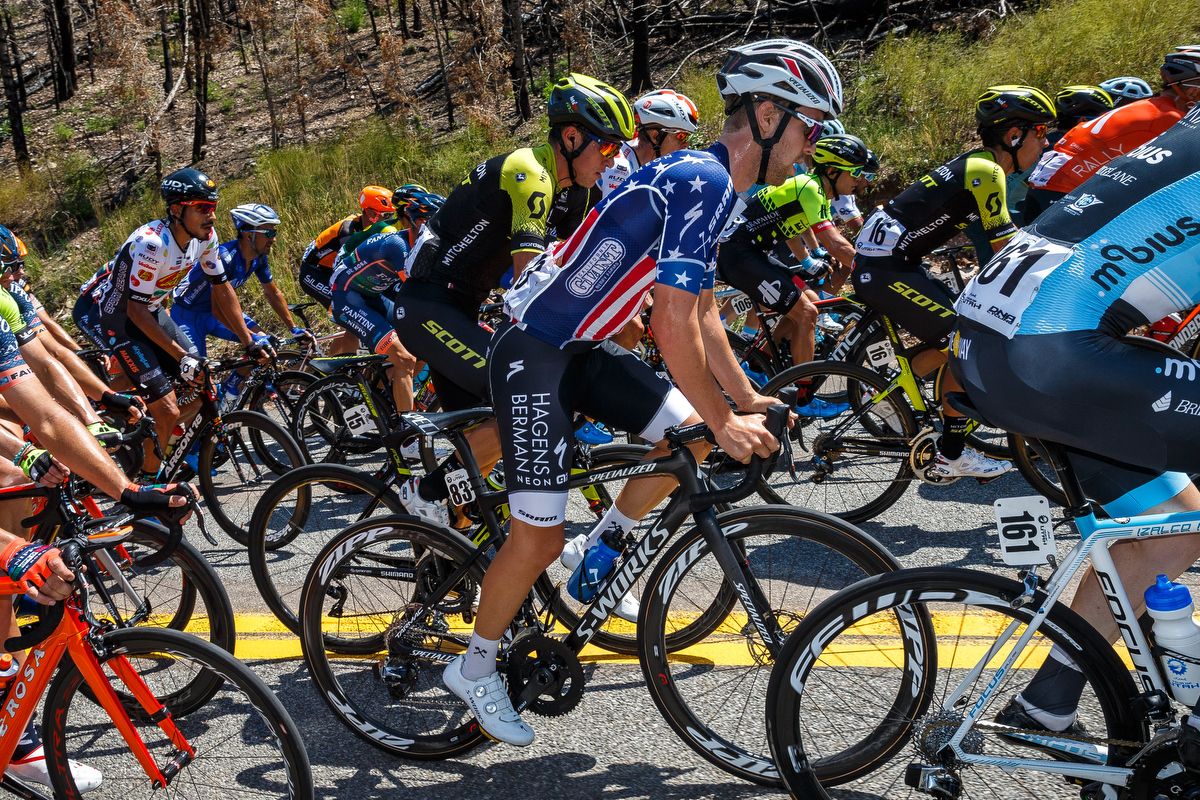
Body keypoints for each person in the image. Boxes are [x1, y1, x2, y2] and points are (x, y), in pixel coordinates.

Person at [441, 38, 840, 747]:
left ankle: (600, 553)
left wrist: (744, 400)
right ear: (771, 114)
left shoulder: (719, 185)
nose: (815, 142)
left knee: (682, 432)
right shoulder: (703, 181)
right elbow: (670, 321)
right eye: (811, 124)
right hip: (536, 353)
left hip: (583, 349)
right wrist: (726, 422)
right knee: (536, 536)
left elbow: (707, 310)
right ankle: (473, 668)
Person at [949, 102, 1200, 744]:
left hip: (993, 341)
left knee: (1171, 528)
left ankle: (1047, 706)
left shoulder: (1186, 131)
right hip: (1048, 350)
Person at [391, 73, 630, 526]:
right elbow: (531, 282)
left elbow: (583, 266)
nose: (612, 159)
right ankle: (422, 492)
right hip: (426, 306)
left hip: (458, 307)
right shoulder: (529, 173)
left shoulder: (575, 193)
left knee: (477, 463)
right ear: (573, 136)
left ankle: (444, 556)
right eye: (607, 147)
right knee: (524, 405)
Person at [851, 85, 1055, 479]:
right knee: (963, 342)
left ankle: (893, 396)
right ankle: (950, 454)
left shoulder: (977, 166)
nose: (1045, 143)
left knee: (960, 336)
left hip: (894, 265)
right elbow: (1005, 246)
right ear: (1014, 136)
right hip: (885, 270)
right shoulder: (985, 171)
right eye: (1042, 132)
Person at [72, 168, 271, 478]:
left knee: (202, 381)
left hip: (148, 310)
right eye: (203, 208)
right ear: (178, 210)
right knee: (166, 407)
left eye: (213, 208)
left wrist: (249, 341)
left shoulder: (204, 239)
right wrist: (181, 356)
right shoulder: (151, 243)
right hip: (111, 314)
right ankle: (145, 483)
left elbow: (222, 288)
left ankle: (159, 434)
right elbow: (135, 313)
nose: (212, 217)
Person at [712, 133, 863, 410]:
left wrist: (808, 260)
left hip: (753, 253)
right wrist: (871, 265)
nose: (860, 180)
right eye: (855, 172)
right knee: (806, 313)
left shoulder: (811, 189)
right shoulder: (809, 187)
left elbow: (790, 227)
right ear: (831, 171)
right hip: (740, 256)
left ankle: (761, 365)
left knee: (811, 304)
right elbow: (834, 242)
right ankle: (802, 397)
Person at [1024, 46, 1200, 223]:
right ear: (1193, 91)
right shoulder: (1170, 118)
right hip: (1068, 194)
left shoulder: (1152, 106)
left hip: (1051, 187)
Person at [170, 203, 306, 410]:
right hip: (188, 315)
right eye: (268, 232)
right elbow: (218, 309)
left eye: (275, 231)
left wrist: (292, 327)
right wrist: (249, 340)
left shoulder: (258, 258)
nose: (274, 238)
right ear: (248, 233)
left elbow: (273, 292)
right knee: (197, 380)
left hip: (214, 312)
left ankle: (229, 394)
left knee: (266, 344)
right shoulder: (225, 257)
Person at [329, 190, 446, 418]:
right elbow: (418, 292)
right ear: (419, 222)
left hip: (372, 295)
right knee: (404, 358)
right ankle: (406, 432)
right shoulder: (397, 245)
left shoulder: (421, 246)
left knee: (423, 349)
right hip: (347, 297)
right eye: (435, 223)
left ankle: (384, 404)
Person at [299, 186, 396, 355]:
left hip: (332, 272)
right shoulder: (348, 232)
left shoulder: (374, 229)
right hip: (315, 272)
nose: (383, 220)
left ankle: (334, 364)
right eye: (377, 215)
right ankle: (335, 371)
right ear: (367, 213)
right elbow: (347, 269)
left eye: (389, 216)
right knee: (350, 318)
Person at [598, 88, 699, 197]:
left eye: (688, 137)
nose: (686, 144)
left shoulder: (652, 165)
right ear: (655, 136)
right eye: (682, 136)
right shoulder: (619, 168)